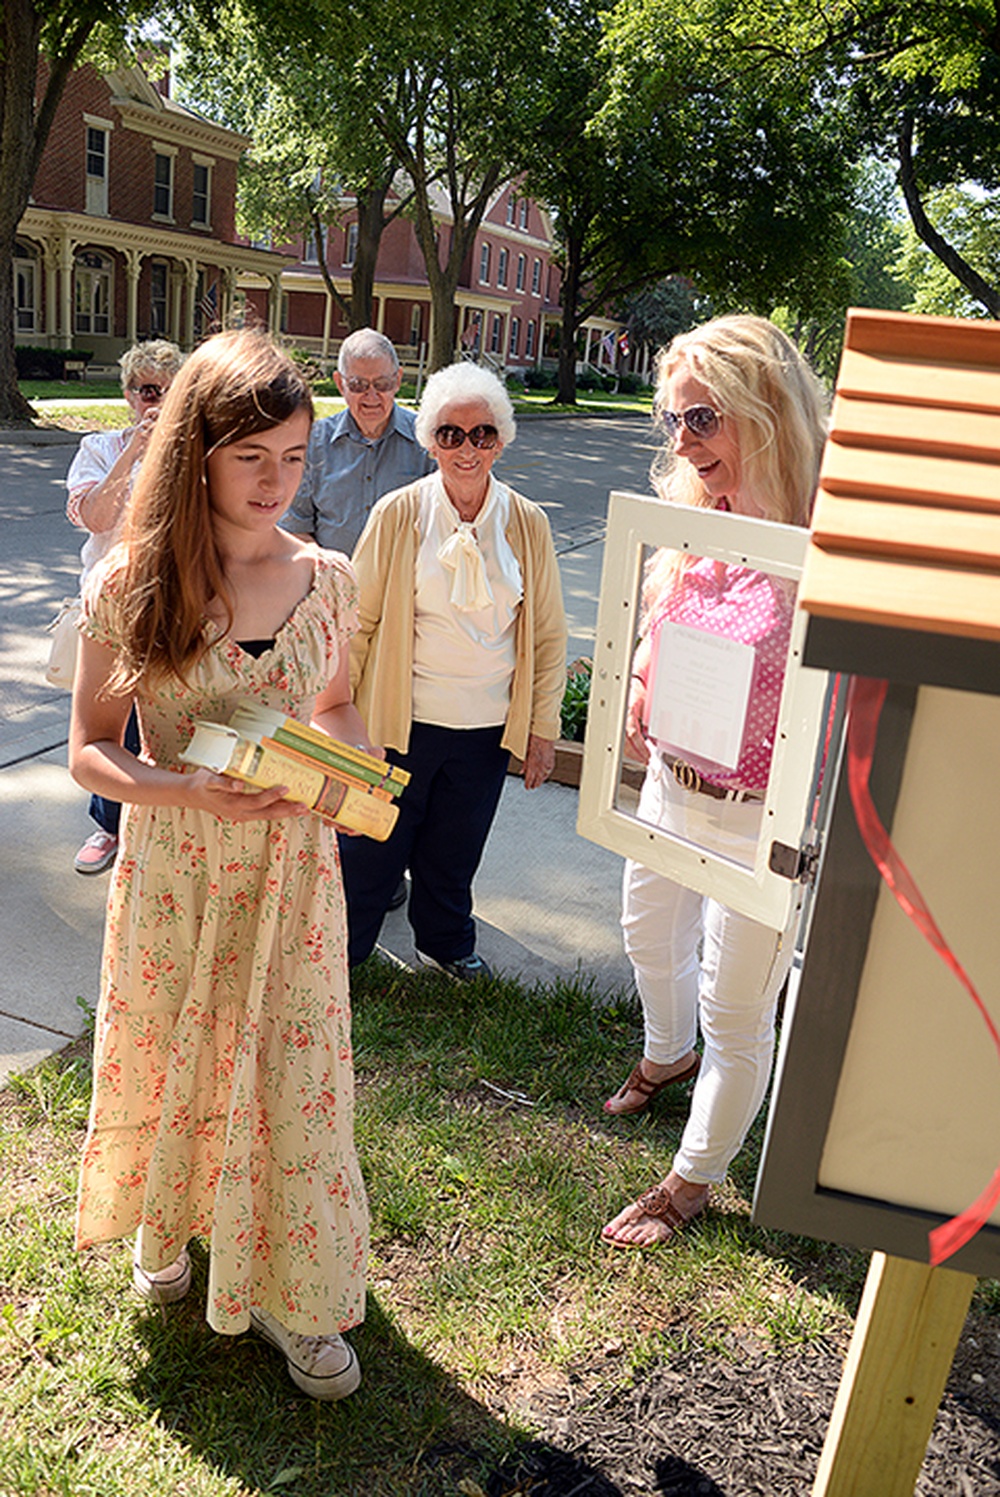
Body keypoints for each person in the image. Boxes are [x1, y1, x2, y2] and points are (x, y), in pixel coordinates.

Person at [69, 330, 370, 1400]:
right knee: (171, 1051)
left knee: (290, 1072)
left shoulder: (327, 580)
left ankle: (293, 1288)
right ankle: (168, 1223)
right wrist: (182, 788)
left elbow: (339, 710)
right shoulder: (131, 583)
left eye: (292, 457)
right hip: (175, 870)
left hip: (292, 878)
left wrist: (344, 772)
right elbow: (91, 748)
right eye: (251, 457)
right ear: (196, 452)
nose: (275, 481)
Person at [601, 314, 827, 1249]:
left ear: (764, 411)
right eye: (672, 420)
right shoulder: (697, 514)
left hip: (761, 814)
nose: (683, 440)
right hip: (673, 784)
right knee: (647, 935)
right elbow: (660, 625)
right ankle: (666, 1054)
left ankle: (690, 1180)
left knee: (736, 1006)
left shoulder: (828, 533)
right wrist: (637, 680)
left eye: (702, 418)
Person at [341, 361, 567, 980]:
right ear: (430, 441)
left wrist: (542, 730)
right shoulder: (398, 514)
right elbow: (356, 624)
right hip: (399, 722)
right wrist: (341, 722)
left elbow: (548, 635)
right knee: (369, 848)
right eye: (450, 433)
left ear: (501, 440)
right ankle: (342, 955)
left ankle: (445, 947)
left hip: (485, 727)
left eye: (482, 433)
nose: (467, 448)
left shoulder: (527, 522)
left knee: (455, 851)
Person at [66, 338, 185, 875]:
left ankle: (159, 823)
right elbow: (94, 517)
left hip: (175, 603)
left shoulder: (195, 450)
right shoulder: (99, 448)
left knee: (162, 719)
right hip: (112, 609)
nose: (153, 400)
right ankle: (108, 825)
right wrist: (135, 451)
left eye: (165, 390)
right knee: (108, 724)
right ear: (128, 394)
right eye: (144, 390)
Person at [283, 326, 435, 555]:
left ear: (397, 380)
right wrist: (324, 561)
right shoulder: (312, 443)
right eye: (358, 385)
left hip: (406, 576)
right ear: (340, 384)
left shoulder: (427, 440)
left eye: (382, 384)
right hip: (331, 574)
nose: (371, 396)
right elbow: (295, 526)